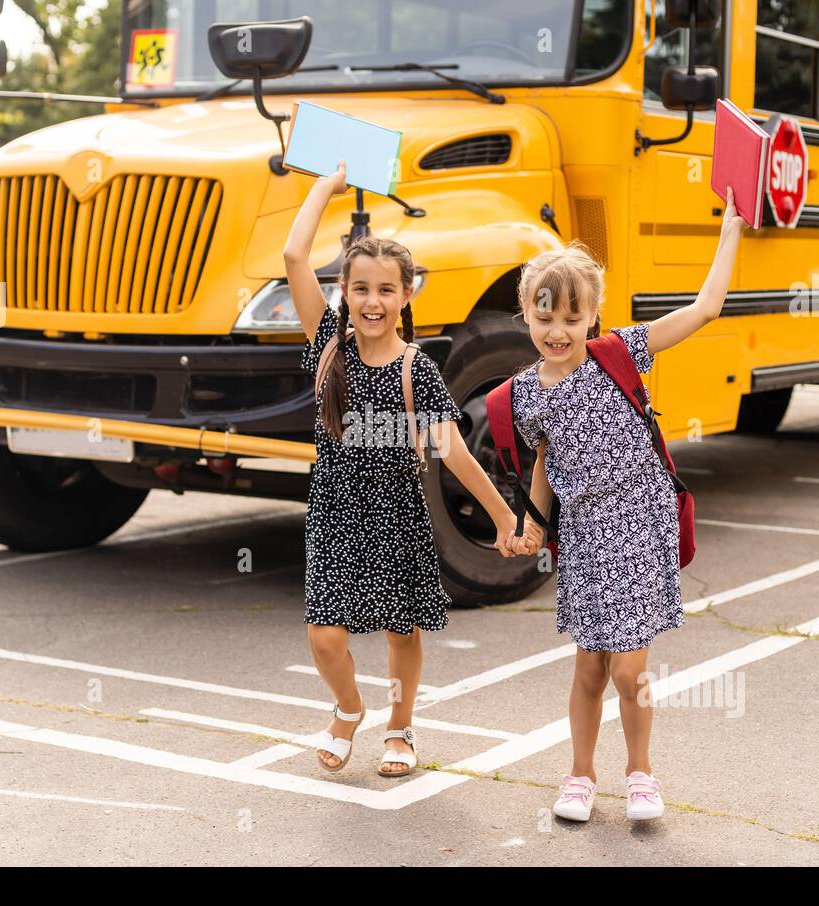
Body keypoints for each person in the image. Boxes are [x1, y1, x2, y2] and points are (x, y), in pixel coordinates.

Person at [511, 187, 745, 822]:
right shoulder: (524, 396)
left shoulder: (621, 353)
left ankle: (640, 773)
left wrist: (729, 234)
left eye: (571, 317)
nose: (557, 332)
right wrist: (532, 527)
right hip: (586, 537)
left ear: (594, 316)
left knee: (628, 668)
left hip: (643, 526)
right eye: (544, 317)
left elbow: (705, 309)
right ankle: (579, 776)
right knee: (590, 667)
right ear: (526, 316)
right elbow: (542, 467)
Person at [284, 161, 524, 777]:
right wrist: (324, 185)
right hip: (334, 514)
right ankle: (347, 709)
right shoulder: (327, 349)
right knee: (325, 638)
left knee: (402, 635)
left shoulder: (417, 369)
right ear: (346, 293)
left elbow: (455, 452)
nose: (372, 301)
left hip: (395, 515)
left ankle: (401, 726)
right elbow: (292, 254)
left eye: (386, 290)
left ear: (406, 295)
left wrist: (503, 517)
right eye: (361, 289)